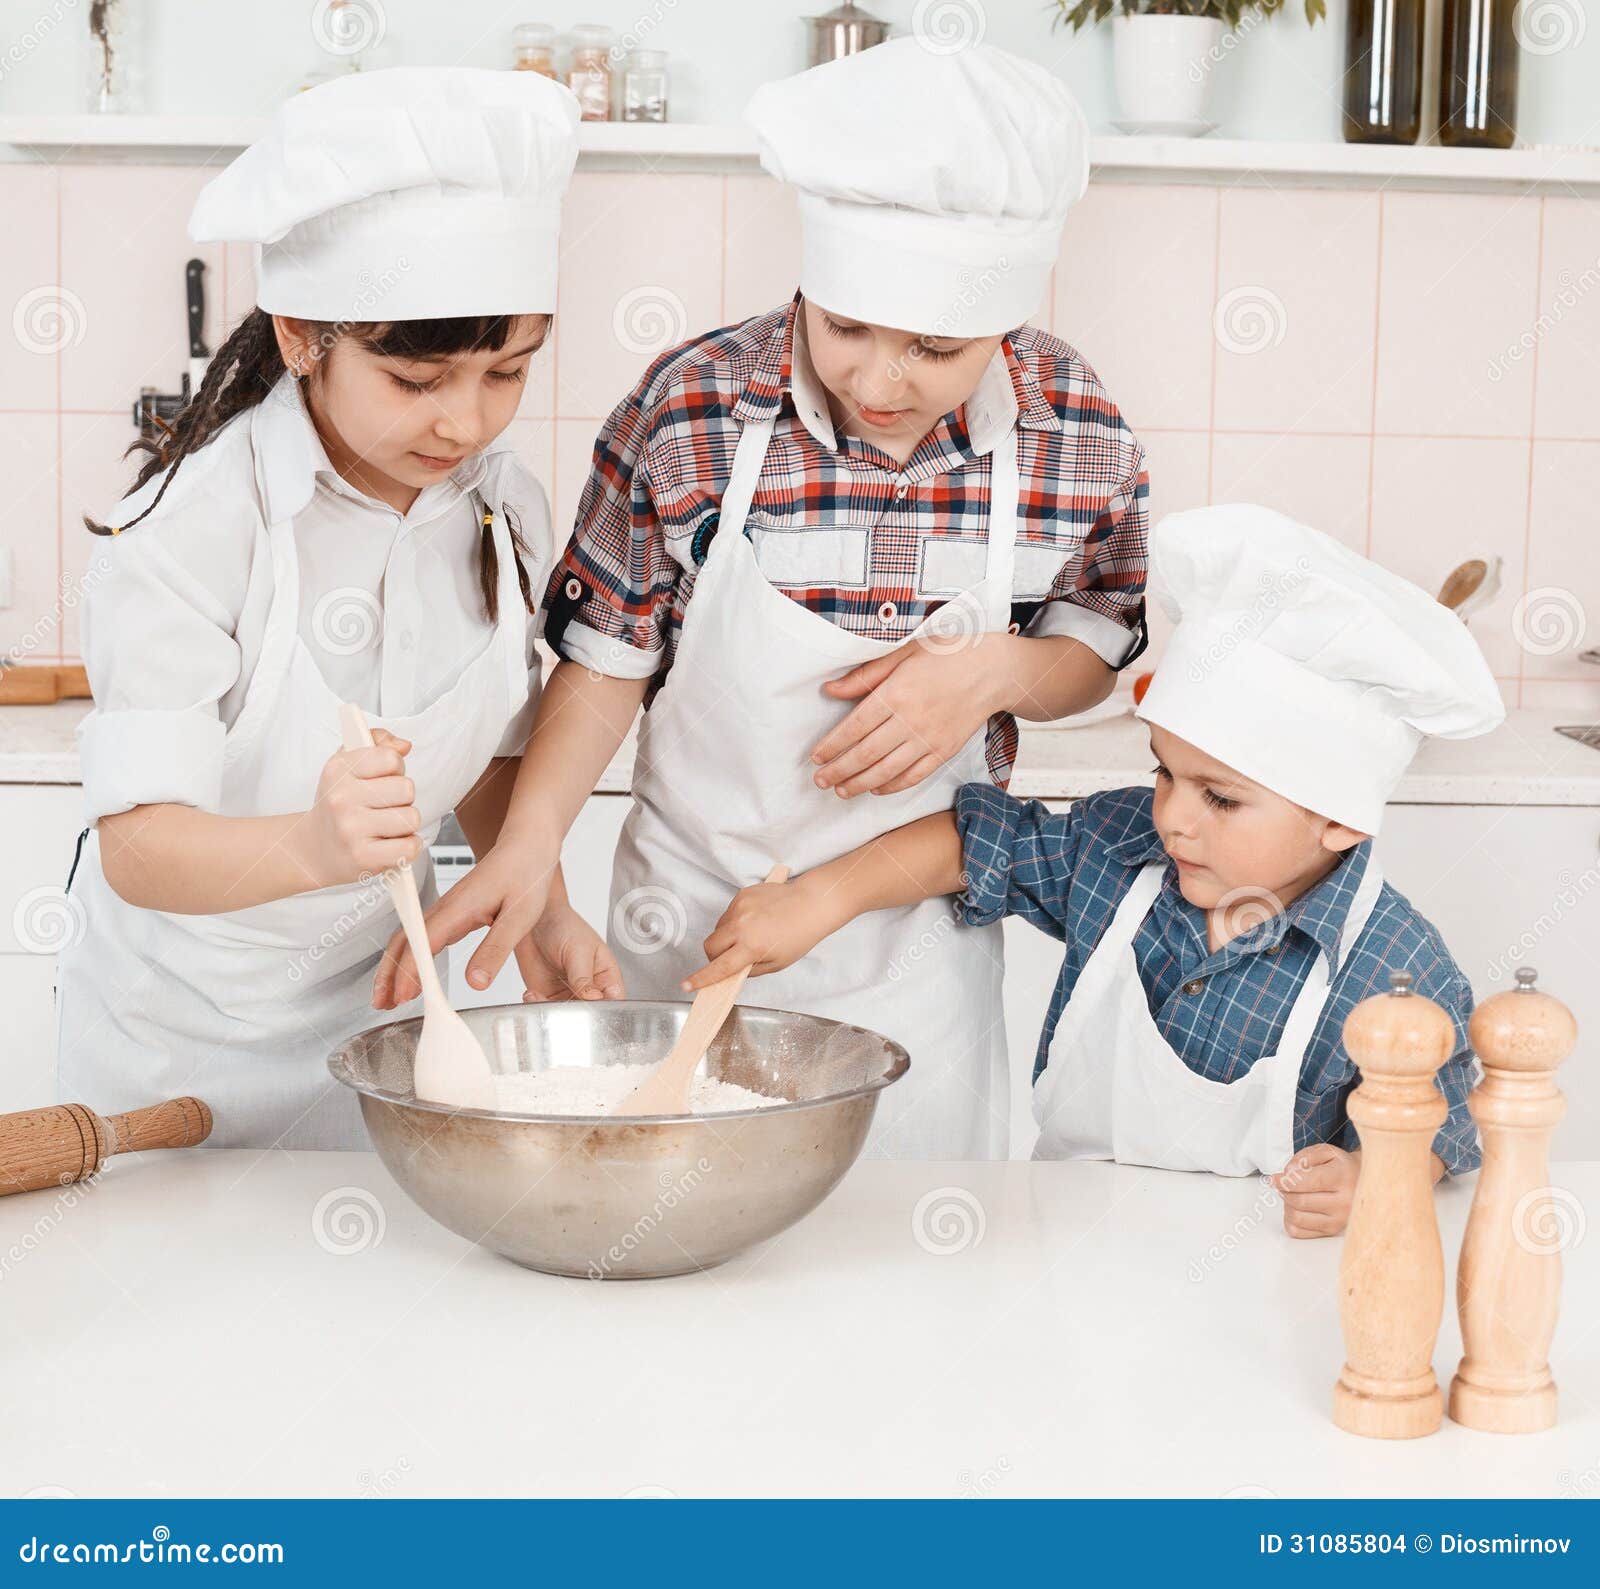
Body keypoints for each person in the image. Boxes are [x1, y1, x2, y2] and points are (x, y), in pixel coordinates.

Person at [374, 41, 1150, 1161]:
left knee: (900, 1272)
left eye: (934, 347)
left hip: (916, 950)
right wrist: (529, 843)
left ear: (1007, 320)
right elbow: (605, 661)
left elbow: (1094, 639)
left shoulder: (1071, 424)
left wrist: (995, 672)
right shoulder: (696, 404)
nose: (879, 382)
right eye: (843, 327)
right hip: (682, 922)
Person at [55, 68, 618, 1151]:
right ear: (306, 333)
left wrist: (536, 899)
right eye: (419, 380)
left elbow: (499, 753)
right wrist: (316, 844)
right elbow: (139, 845)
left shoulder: (505, 509)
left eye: (507, 371)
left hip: (391, 1027)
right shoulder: (190, 528)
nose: (466, 419)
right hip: (175, 1051)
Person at [684, 506, 1505, 1234]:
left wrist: (1372, 1178)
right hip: (1064, 1264)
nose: (1174, 816)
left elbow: (1447, 1123)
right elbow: (975, 843)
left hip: (1258, 1302)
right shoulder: (1120, 850)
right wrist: (821, 898)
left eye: (1220, 799)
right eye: (1164, 773)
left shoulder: (1399, 971)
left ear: (1339, 820)